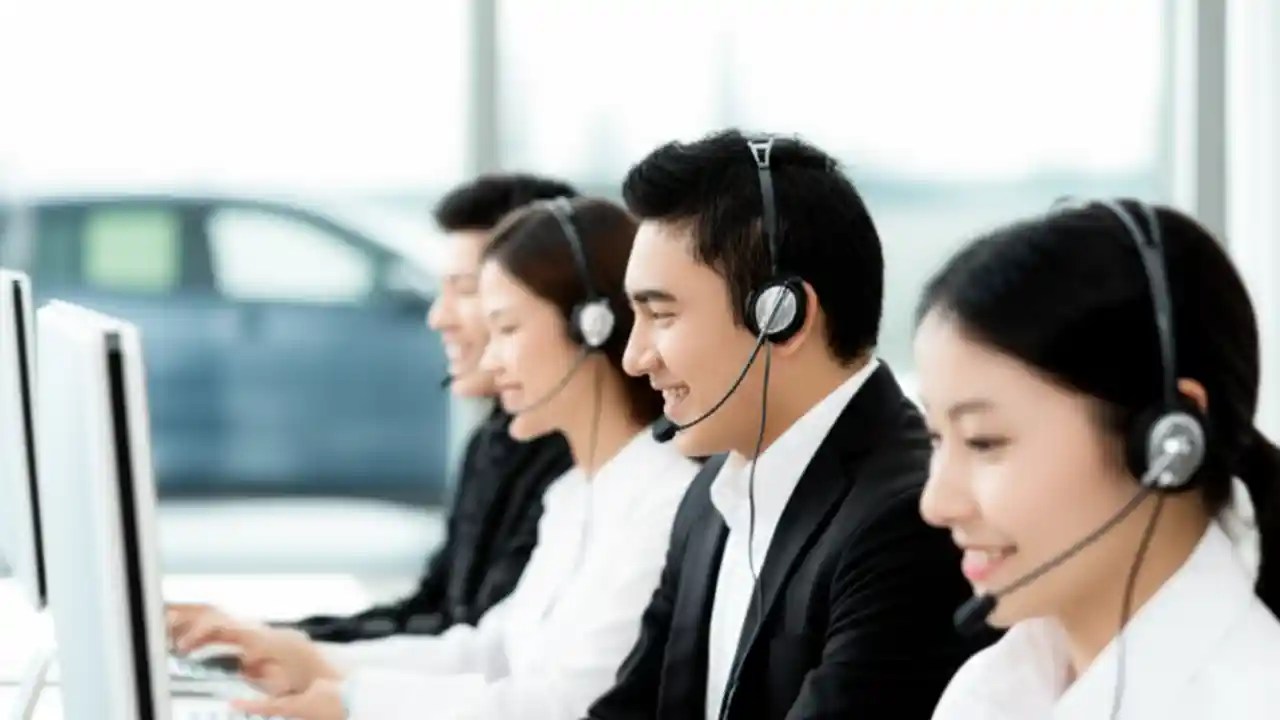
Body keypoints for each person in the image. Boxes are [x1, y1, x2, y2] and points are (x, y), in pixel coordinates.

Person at [181, 197, 699, 720]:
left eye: (508, 329)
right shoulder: (571, 495)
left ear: (593, 325)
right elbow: (491, 653)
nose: (492, 361)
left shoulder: (663, 503)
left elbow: (567, 707)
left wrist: (352, 703)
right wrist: (313, 660)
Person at [587, 130, 990, 720]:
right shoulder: (711, 494)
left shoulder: (906, 519)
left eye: (661, 315)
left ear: (781, 316)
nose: (634, 357)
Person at [169, 174, 578, 645]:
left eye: (466, 290)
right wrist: (265, 639)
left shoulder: (576, 469)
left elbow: (472, 648)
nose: (438, 316)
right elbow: (435, 611)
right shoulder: (495, 442)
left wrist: (280, 647)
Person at [916, 200, 1280, 718]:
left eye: (984, 441)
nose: (936, 504)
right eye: (934, 437)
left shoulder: (1254, 698)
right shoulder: (991, 690)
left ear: (1169, 440)